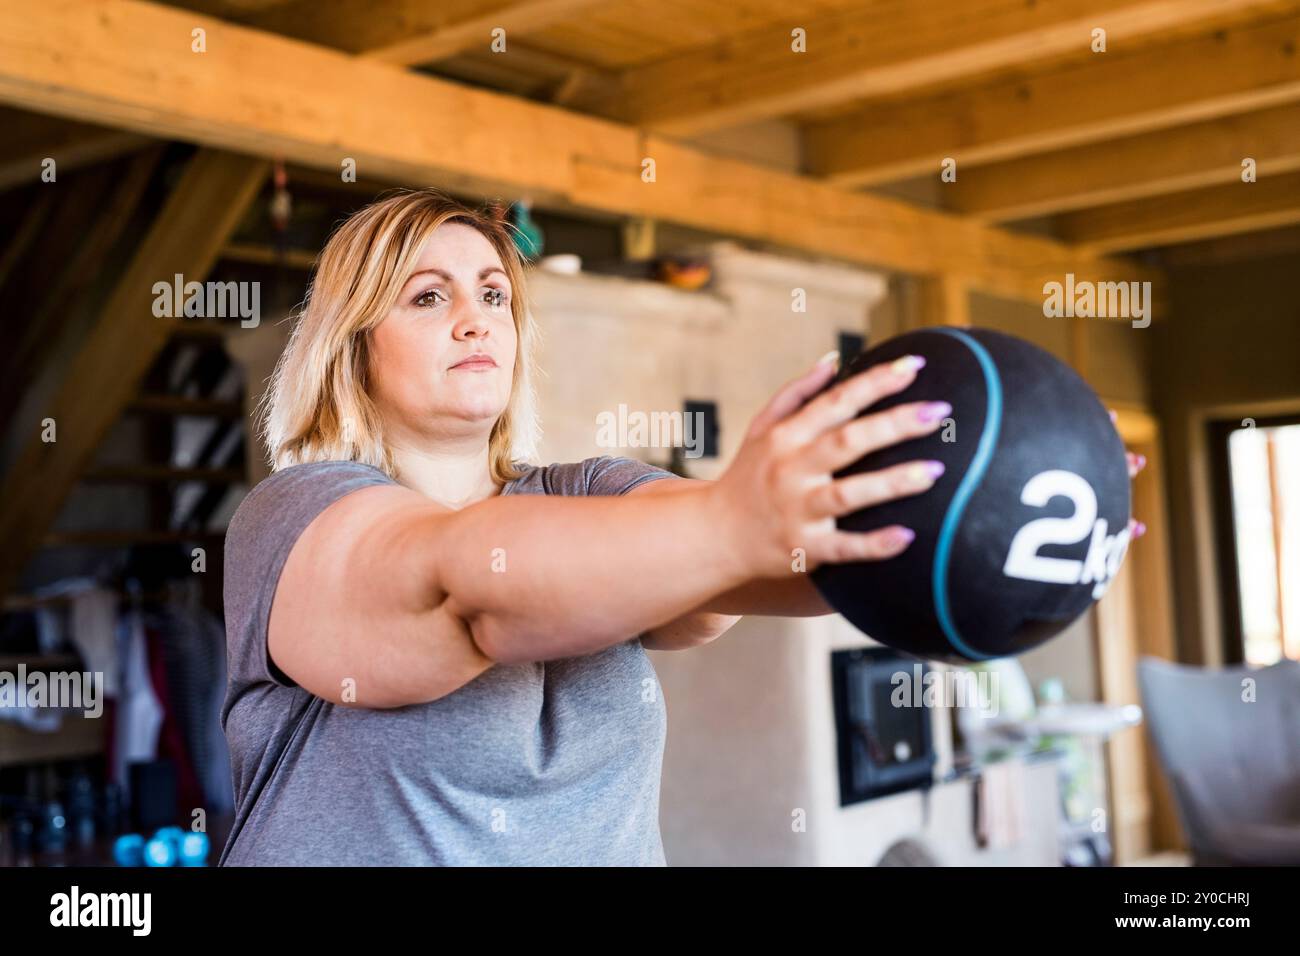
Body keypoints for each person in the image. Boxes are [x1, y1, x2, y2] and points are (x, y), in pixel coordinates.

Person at [218, 189, 1141, 865]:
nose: (475, 319)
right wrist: (733, 519)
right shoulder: (293, 518)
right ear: (351, 346)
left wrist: (990, 528)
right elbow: (461, 588)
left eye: (493, 294)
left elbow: (730, 578)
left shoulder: (586, 491)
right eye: (428, 297)